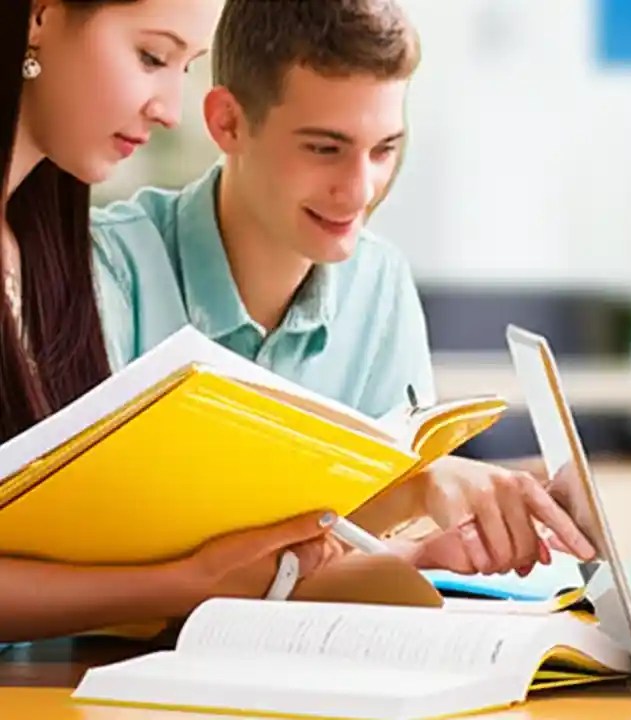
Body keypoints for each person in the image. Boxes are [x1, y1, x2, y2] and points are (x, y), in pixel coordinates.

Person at [90, 0, 594, 579]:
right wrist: (409, 491)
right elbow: (126, 549)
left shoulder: (380, 286)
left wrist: (424, 544)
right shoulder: (110, 268)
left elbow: (350, 546)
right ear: (228, 123)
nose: (359, 191)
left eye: (384, 150)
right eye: (325, 149)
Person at [0, 0, 363, 644]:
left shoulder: (46, 248)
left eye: (185, 67)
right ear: (39, 17)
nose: (169, 108)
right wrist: (189, 581)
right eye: (151, 57)